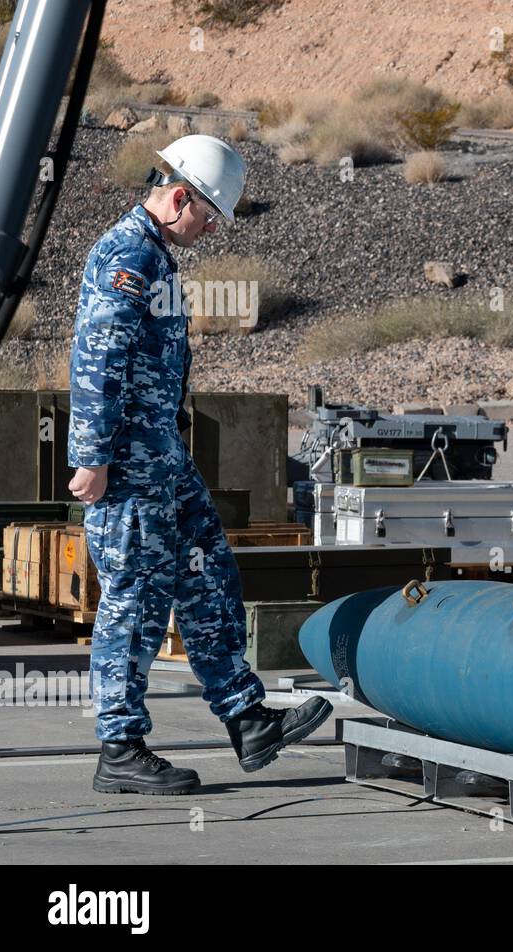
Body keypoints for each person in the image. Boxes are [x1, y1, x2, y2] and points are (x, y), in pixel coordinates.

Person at [68, 135, 332, 796]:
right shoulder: (129, 256)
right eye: (208, 215)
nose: (210, 229)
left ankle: (247, 720)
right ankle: (120, 746)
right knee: (135, 598)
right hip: (128, 462)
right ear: (179, 195)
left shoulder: (154, 254)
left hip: (161, 456)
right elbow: (99, 361)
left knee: (208, 571)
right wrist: (93, 457)